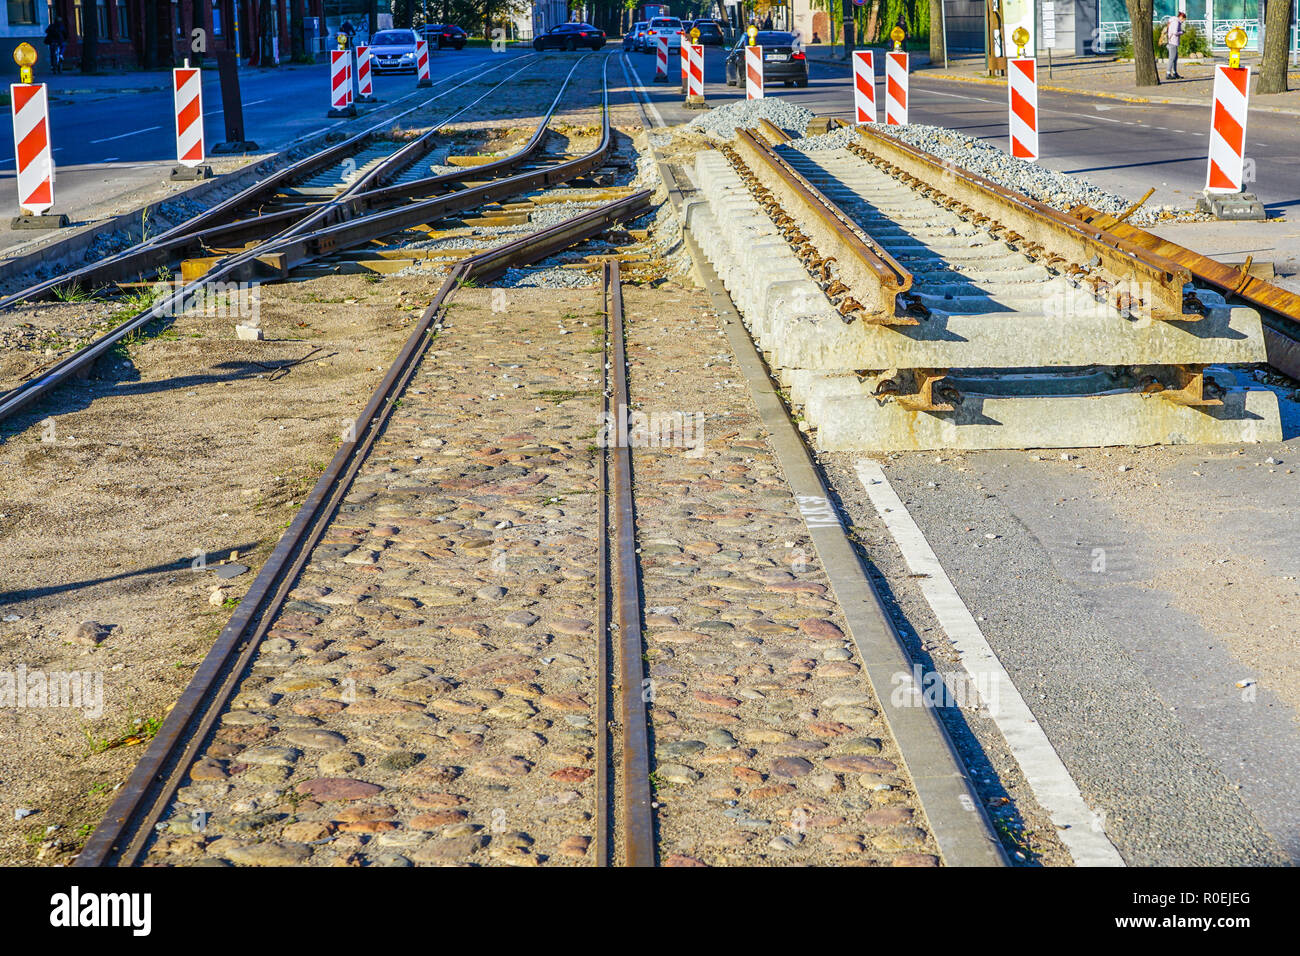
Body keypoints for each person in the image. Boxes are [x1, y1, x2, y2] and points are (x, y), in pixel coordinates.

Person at [1163, 11, 1186, 79]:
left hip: (1171, 42)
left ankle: (1175, 73)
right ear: (1181, 17)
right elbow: (1175, 32)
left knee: (1175, 58)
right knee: (1172, 58)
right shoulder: (1176, 22)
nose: (1183, 21)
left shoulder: (1173, 21)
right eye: (1183, 19)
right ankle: (1168, 73)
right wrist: (1182, 32)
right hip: (1172, 42)